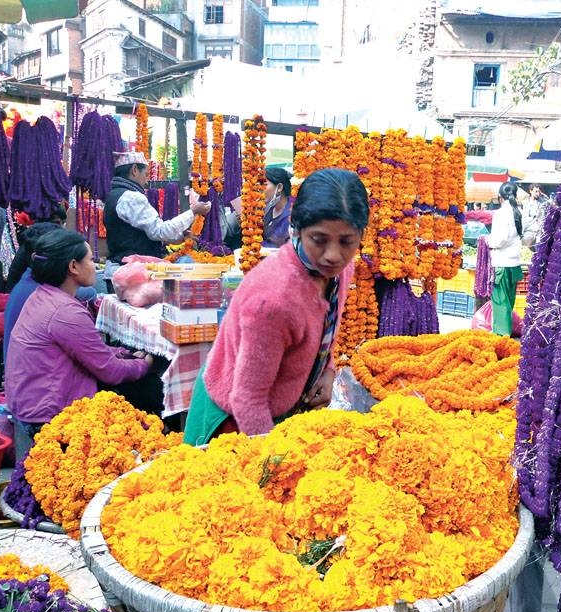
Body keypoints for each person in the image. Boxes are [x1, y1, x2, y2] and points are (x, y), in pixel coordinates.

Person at [183, 168, 369, 444]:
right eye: (318, 240)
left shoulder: (340, 268)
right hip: (232, 419)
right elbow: (247, 400)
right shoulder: (273, 301)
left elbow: (329, 321)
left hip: (279, 407)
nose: (333, 255)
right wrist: (277, 464)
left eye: (347, 241)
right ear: (297, 227)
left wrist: (327, 370)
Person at [4, 229, 154, 459]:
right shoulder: (65, 312)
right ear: (73, 267)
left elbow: (89, 350)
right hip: (48, 415)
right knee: (147, 392)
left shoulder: (43, 296)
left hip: (30, 405)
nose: (95, 265)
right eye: (91, 259)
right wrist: (145, 364)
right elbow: (110, 371)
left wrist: (123, 352)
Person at [3, 222, 97, 364]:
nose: (94, 265)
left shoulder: (32, 282)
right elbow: (103, 365)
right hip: (38, 380)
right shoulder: (55, 303)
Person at [103, 151, 211, 264]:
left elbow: (146, 233)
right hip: (131, 271)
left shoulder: (114, 195)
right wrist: (193, 211)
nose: (146, 181)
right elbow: (159, 231)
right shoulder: (132, 198)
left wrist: (181, 236)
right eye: (146, 175)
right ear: (134, 170)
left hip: (119, 268)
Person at [485, 182, 523, 337]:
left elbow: (499, 240)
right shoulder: (519, 212)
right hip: (514, 264)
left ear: (500, 196)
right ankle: (505, 335)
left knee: (501, 304)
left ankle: (501, 337)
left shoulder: (501, 214)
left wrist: (488, 241)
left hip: (501, 264)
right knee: (509, 302)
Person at [262, 167, 293, 248]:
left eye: (264, 184)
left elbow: (274, 244)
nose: (259, 189)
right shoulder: (269, 208)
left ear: (279, 187)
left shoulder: (291, 214)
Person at [521, 183, 548, 249]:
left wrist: (544, 196)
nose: (538, 193)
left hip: (537, 232)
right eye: (536, 191)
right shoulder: (524, 203)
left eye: (539, 192)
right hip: (527, 232)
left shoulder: (541, 203)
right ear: (530, 191)